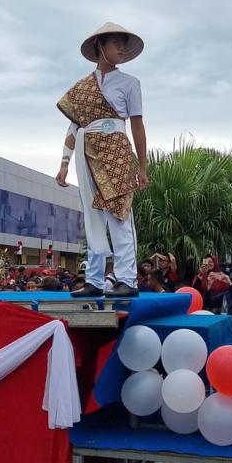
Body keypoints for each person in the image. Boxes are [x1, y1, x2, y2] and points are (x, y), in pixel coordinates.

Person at [56, 22, 148, 299]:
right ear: (100, 46)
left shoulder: (130, 83)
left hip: (117, 150)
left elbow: (138, 126)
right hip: (86, 152)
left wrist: (142, 167)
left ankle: (127, 279)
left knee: (120, 214)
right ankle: (94, 280)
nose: (121, 47)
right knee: (92, 217)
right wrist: (64, 162)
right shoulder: (81, 88)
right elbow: (74, 128)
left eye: (124, 42)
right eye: (115, 42)